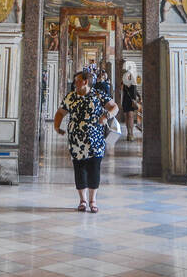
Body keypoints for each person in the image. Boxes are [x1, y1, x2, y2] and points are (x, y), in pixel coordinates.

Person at [54, 69, 118, 212]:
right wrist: (57, 126)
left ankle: (93, 200)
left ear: (85, 81)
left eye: (77, 81)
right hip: (76, 140)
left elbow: (115, 107)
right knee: (79, 168)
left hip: (95, 138)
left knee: (94, 168)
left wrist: (106, 115)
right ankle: (83, 200)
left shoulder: (98, 95)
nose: (74, 83)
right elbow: (60, 112)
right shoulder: (71, 96)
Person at [120, 72, 141, 141]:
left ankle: (131, 133)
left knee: (131, 116)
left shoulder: (133, 83)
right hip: (125, 101)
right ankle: (128, 132)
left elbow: (135, 91)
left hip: (131, 102)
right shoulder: (123, 83)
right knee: (126, 117)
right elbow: (121, 92)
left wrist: (139, 96)